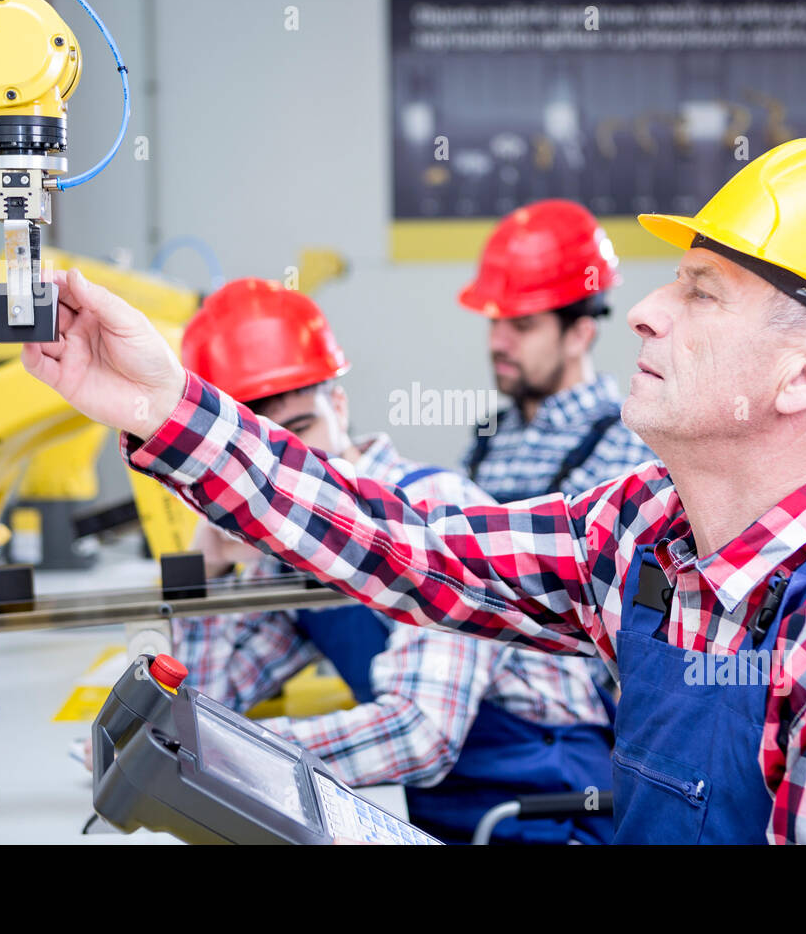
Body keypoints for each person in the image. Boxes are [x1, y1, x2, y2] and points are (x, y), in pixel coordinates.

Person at [25, 138, 806, 843]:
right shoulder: (646, 532)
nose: (641, 310)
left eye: (699, 291)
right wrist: (167, 409)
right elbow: (411, 542)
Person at [164, 277, 615, 845]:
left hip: (543, 808)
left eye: (298, 435)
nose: (283, 475)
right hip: (442, 812)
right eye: (258, 457)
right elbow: (217, 701)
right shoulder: (289, 557)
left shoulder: (434, 509)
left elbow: (420, 734)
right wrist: (208, 571)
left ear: (341, 404)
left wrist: (236, 755)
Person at [459, 199, 653, 503]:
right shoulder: (491, 438)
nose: (497, 342)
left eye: (523, 325)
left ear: (579, 335)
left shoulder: (629, 445)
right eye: (495, 322)